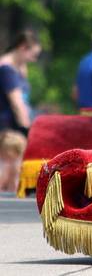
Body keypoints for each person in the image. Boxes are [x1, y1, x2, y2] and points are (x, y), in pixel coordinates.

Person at [0, 30, 40, 193]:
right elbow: (17, 103)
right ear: (23, 48)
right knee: (8, 163)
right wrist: (28, 129)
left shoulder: (16, 68)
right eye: (33, 54)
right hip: (9, 127)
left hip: (11, 125)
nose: (34, 60)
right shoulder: (7, 70)